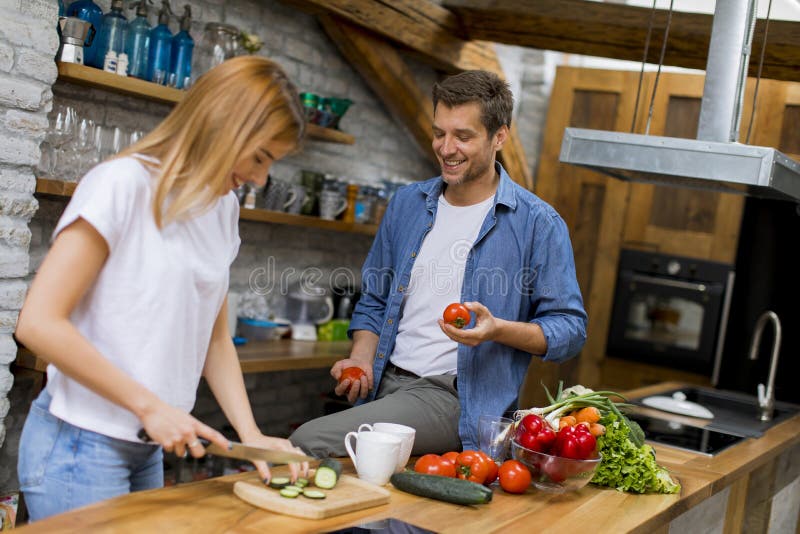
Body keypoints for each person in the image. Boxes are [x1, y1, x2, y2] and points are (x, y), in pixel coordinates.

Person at [15, 56, 308, 521]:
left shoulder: (223, 210)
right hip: (80, 442)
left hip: (147, 446)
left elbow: (213, 338)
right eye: (259, 156)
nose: (260, 179)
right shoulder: (121, 185)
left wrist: (249, 432)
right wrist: (150, 406)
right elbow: (38, 323)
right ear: (221, 126)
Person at [290, 70, 588, 458]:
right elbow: (375, 300)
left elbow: (570, 329)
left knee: (306, 441)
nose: (446, 148)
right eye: (439, 133)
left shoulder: (537, 223)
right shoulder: (407, 204)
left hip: (450, 397)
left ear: (499, 136)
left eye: (463, 136)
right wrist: (362, 359)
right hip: (385, 382)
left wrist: (497, 330)